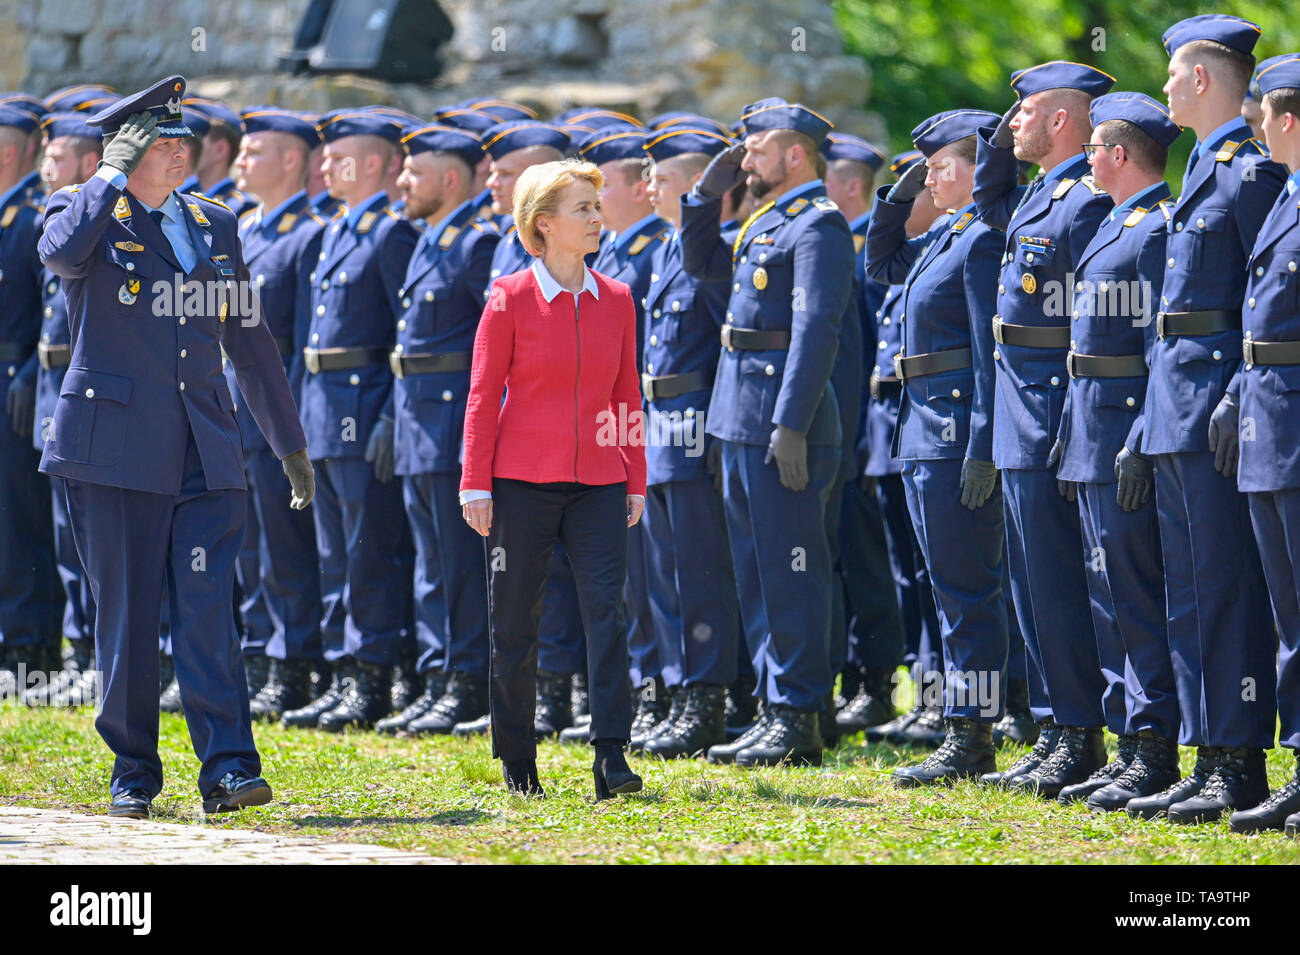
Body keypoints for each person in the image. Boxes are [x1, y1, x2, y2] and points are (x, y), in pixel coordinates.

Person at [37, 75, 314, 818]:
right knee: (127, 615)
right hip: (114, 449)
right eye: (159, 142)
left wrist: (287, 440)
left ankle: (227, 766)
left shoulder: (216, 223)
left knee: (206, 610)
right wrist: (107, 176)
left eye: (182, 140)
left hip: (204, 447)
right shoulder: (84, 209)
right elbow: (61, 257)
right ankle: (133, 767)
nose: (178, 151)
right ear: (122, 150)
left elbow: (248, 341)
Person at [1126, 15, 1285, 825]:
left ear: (1199, 80)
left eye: (1171, 73)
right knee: (1188, 589)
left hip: (1222, 409)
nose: (1161, 88)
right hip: (1174, 403)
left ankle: (1240, 758)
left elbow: (1265, 303)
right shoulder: (1201, 171)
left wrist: (1231, 394)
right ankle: (1204, 749)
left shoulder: (1248, 174)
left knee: (1225, 588)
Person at [460, 158, 646, 800]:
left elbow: (627, 394)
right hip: (518, 483)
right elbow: (483, 396)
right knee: (514, 619)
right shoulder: (508, 296)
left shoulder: (618, 298)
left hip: (600, 481)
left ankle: (612, 756)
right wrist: (475, 484)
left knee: (608, 615)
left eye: (597, 207)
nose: (598, 218)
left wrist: (635, 478)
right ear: (544, 224)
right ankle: (518, 760)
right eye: (583, 210)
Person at [681, 98, 853, 767]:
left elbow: (816, 332)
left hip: (788, 425)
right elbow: (702, 265)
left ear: (795, 154)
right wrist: (704, 194)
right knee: (755, 572)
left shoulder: (819, 225)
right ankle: (773, 706)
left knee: (793, 572)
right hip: (739, 418)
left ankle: (800, 714)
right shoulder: (764, 220)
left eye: (755, 148)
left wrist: (790, 423)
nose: (745, 158)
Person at [973, 61, 1117, 797]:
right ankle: (1059, 726)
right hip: (1017, 405)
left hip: (1054, 406)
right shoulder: (1037, 195)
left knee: (1062, 582)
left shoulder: (1084, 202)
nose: (1014, 122)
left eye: (1025, 110)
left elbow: (1091, 322)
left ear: (1063, 119)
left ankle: (1082, 732)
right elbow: (986, 195)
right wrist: (1005, 136)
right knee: (1032, 584)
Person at [866, 109, 1009, 785]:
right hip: (922, 428)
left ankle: (972, 736)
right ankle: (965, 727)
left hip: (954, 435)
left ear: (977, 171)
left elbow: (987, 353)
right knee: (951, 592)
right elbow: (881, 261)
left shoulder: (981, 238)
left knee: (968, 592)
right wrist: (900, 195)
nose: (929, 176)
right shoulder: (946, 233)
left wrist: (982, 443)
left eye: (941, 166)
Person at [1052, 92, 1184, 810]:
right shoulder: (1111, 224)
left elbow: (1160, 342)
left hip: (1125, 426)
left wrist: (1139, 437)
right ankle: (1128, 739)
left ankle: (1156, 742)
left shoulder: (1157, 226)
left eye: (1095, 146)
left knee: (1134, 591)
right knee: (1105, 595)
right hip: (1089, 426)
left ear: (1120, 155)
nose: (1087, 157)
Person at [280, 109, 418, 732]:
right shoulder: (332, 231)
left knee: (368, 550)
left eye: (342, 157)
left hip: (363, 407)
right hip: (322, 401)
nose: (328, 165)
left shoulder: (391, 234)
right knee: (333, 548)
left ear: (375, 165)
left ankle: (374, 674)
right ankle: (341, 670)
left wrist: (391, 412)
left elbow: (401, 334)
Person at [377, 123, 500, 735]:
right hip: (415, 412)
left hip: (452, 416)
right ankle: (437, 674)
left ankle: (467, 679)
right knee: (430, 559)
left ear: (450, 180)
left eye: (414, 173)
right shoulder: (426, 240)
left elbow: (493, 347)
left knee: (457, 559)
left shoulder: (475, 245)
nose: (401, 183)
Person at [633, 125, 740, 758]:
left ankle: (707, 698)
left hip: (695, 418)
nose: (650, 187)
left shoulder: (716, 252)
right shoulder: (664, 251)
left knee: (699, 569)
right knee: (665, 570)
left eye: (664, 179)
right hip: (658, 418)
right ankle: (676, 692)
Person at [227, 106, 329, 721]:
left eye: (255, 151)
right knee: (248, 545)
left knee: (285, 548)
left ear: (291, 160)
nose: (240, 161)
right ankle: (261, 655)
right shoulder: (245, 230)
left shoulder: (308, 235)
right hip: (236, 408)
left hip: (280, 411)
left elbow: (301, 339)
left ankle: (295, 665)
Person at [1221, 53, 1300, 834]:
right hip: (1268, 418)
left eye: (1263, 115)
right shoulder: (1284, 198)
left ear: (1288, 117)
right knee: (1289, 609)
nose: (1256, 127)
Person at [577, 124, 673, 741]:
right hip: (610, 429)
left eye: (598, 191)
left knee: (665, 574)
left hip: (655, 424)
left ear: (641, 188)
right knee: (630, 580)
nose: (592, 207)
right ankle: (644, 694)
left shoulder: (655, 249)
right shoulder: (608, 255)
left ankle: (672, 693)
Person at [818, 131, 908, 737]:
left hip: (869, 423)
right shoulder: (838, 245)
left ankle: (876, 684)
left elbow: (862, 347)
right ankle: (856, 678)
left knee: (872, 563)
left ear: (849, 185)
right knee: (848, 560)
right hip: (853, 423)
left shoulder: (865, 247)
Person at [860, 150, 946, 748]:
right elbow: (879, 260)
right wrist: (894, 203)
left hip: (932, 419)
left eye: (920, 184)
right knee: (910, 574)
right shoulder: (919, 251)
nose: (921, 194)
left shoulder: (956, 240)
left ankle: (952, 701)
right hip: (895, 422)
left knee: (940, 574)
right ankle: (927, 696)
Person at [22, 111, 102, 708]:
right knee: (64, 534)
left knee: (97, 538)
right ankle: (80, 654)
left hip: (93, 394)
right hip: (55, 386)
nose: (44, 166)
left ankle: (103, 657)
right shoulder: (58, 220)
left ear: (91, 166)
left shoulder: (93, 228)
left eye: (56, 157)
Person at [0, 100, 58, 701]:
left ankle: (28, 647)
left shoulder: (31, 218)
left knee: (19, 518)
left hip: (17, 377)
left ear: (10, 151)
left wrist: (28, 372)